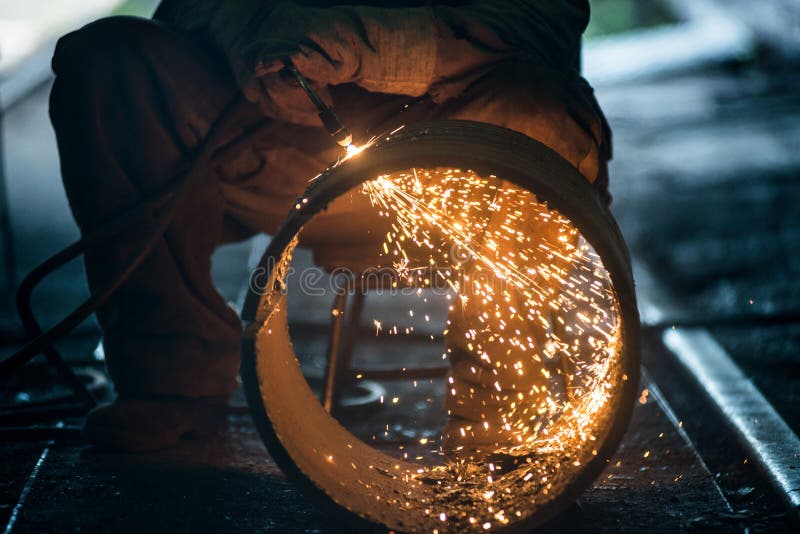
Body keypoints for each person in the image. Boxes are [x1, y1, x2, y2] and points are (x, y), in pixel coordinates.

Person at [49, 0, 611, 451]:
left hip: (457, 166)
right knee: (108, 58)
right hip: (285, 159)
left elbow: (546, 20)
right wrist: (257, 31)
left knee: (537, 110)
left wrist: (366, 43)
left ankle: (500, 418)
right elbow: (185, 12)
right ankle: (172, 378)